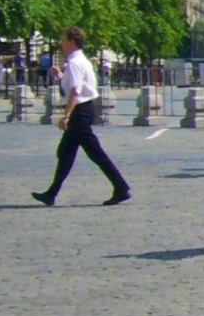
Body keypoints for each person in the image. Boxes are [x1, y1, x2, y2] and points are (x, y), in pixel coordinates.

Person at [32, 28, 132, 207]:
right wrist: (61, 76)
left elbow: (76, 91)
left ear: (71, 41)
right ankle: (51, 193)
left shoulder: (74, 63)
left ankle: (121, 186)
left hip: (80, 111)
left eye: (64, 39)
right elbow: (77, 84)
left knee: (93, 153)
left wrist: (66, 116)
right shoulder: (78, 61)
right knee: (66, 152)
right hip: (83, 110)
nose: (61, 43)